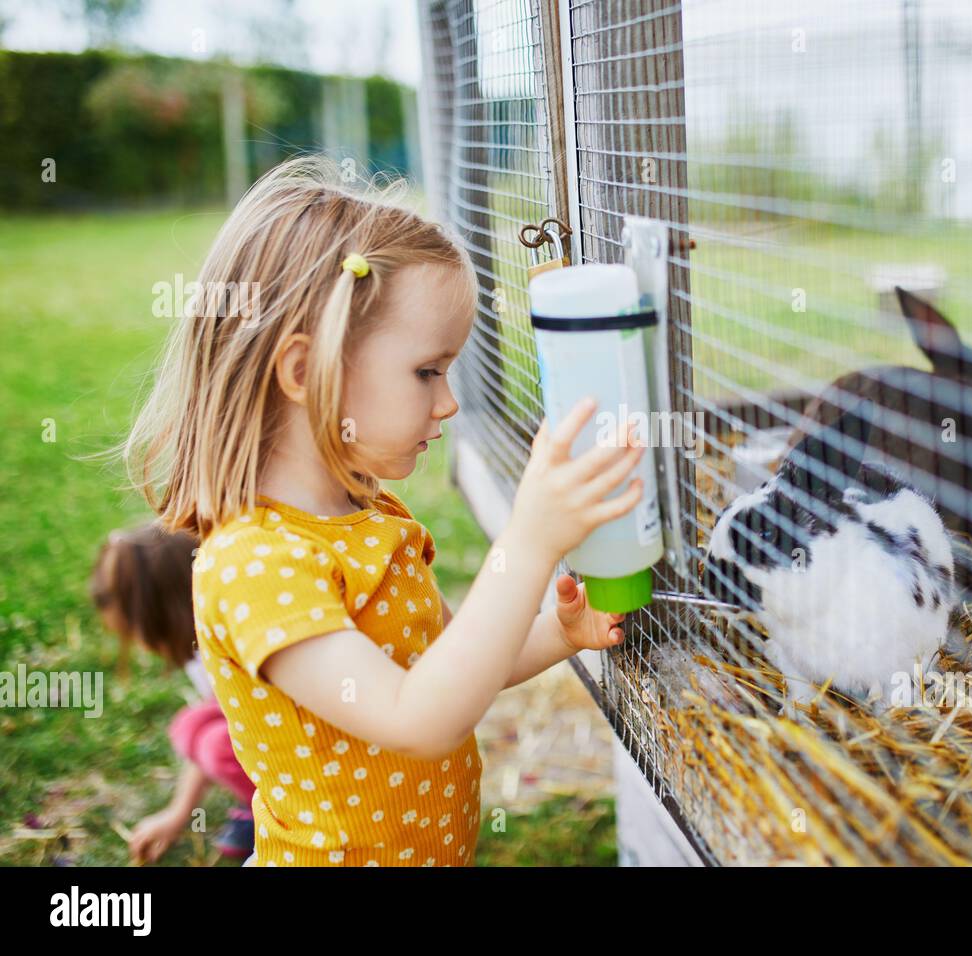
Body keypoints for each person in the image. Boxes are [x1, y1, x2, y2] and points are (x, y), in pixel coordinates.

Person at [117, 155, 645, 866]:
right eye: (427, 370)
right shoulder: (253, 564)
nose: (448, 401)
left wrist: (560, 629)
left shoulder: (367, 518)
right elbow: (418, 718)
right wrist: (527, 540)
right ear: (304, 372)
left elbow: (446, 668)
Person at [89, 522, 257, 862]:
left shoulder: (227, 649)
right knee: (191, 725)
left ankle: (270, 807)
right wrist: (178, 813)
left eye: (139, 633)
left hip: (301, 758)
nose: (142, 647)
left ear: (167, 613)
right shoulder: (198, 649)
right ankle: (255, 796)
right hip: (258, 730)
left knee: (216, 746)